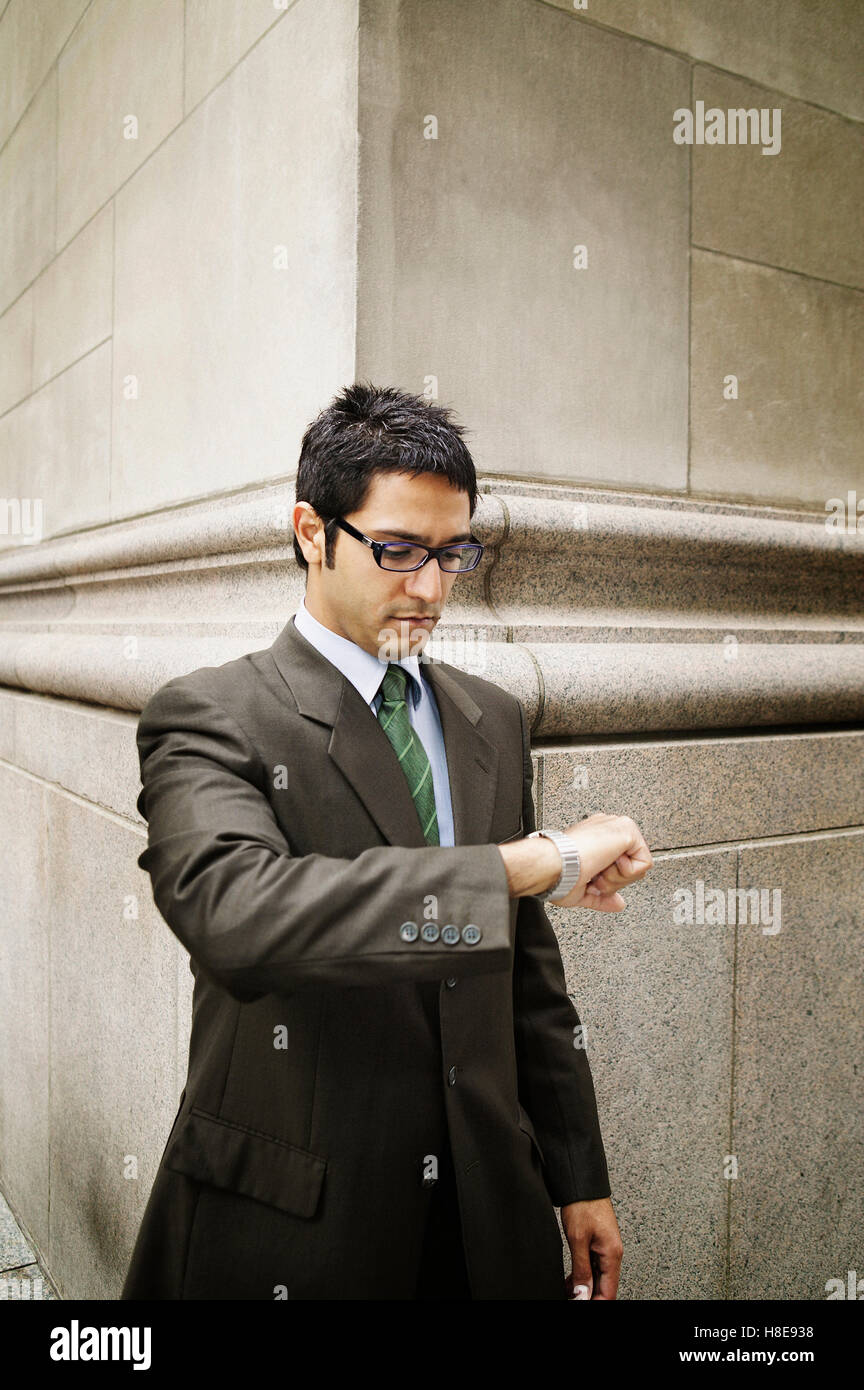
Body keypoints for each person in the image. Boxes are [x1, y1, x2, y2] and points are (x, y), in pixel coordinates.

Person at [120, 383, 652, 1301]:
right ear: (309, 531)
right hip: (302, 1222)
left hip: (489, 1217)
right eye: (397, 549)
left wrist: (578, 1175)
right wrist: (525, 864)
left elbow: (527, 974)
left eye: (455, 554)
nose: (430, 587)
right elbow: (238, 917)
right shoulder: (210, 714)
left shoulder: (490, 717)